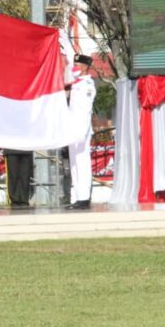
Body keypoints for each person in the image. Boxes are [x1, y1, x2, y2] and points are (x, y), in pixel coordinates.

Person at [66, 54, 96, 210]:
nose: (75, 67)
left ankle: (84, 198)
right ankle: (78, 197)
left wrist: (82, 132)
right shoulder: (76, 83)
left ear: (85, 67)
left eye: (77, 64)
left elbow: (85, 110)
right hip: (73, 129)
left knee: (82, 164)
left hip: (81, 130)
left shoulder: (87, 85)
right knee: (74, 164)